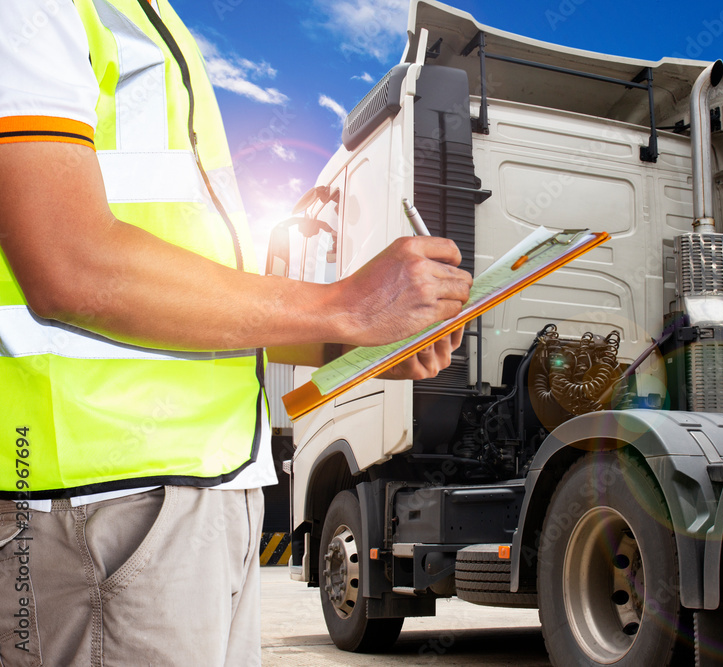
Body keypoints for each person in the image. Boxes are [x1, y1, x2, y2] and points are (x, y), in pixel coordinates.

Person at [0, 1, 472, 664]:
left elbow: (205, 304)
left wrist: (355, 343)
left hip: (203, 493)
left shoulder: (152, 22)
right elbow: (66, 260)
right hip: (102, 500)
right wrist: (342, 302)